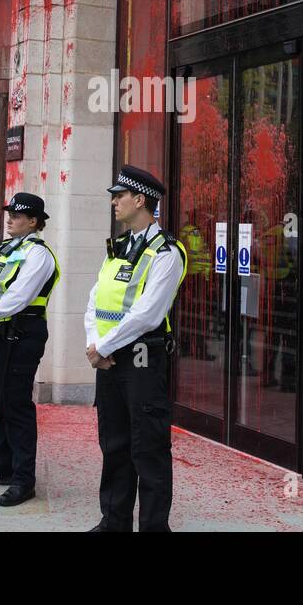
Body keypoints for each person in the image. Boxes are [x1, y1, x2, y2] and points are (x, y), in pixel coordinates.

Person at [84, 167, 186, 531]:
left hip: (141, 361)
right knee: (114, 446)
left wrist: (102, 347)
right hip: (109, 362)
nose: (114, 202)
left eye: (119, 196)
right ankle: (113, 522)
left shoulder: (166, 252)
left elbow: (147, 314)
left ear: (140, 200)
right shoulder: (119, 246)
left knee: (149, 451)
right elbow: (96, 298)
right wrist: (92, 343)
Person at [0, 192, 60, 507]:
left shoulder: (38, 253)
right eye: (9, 213)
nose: (10, 218)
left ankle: (24, 479)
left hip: (21, 333)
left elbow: (20, 296)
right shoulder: (5, 249)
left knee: (17, 405)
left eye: (17, 215)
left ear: (33, 221)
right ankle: (1, 466)